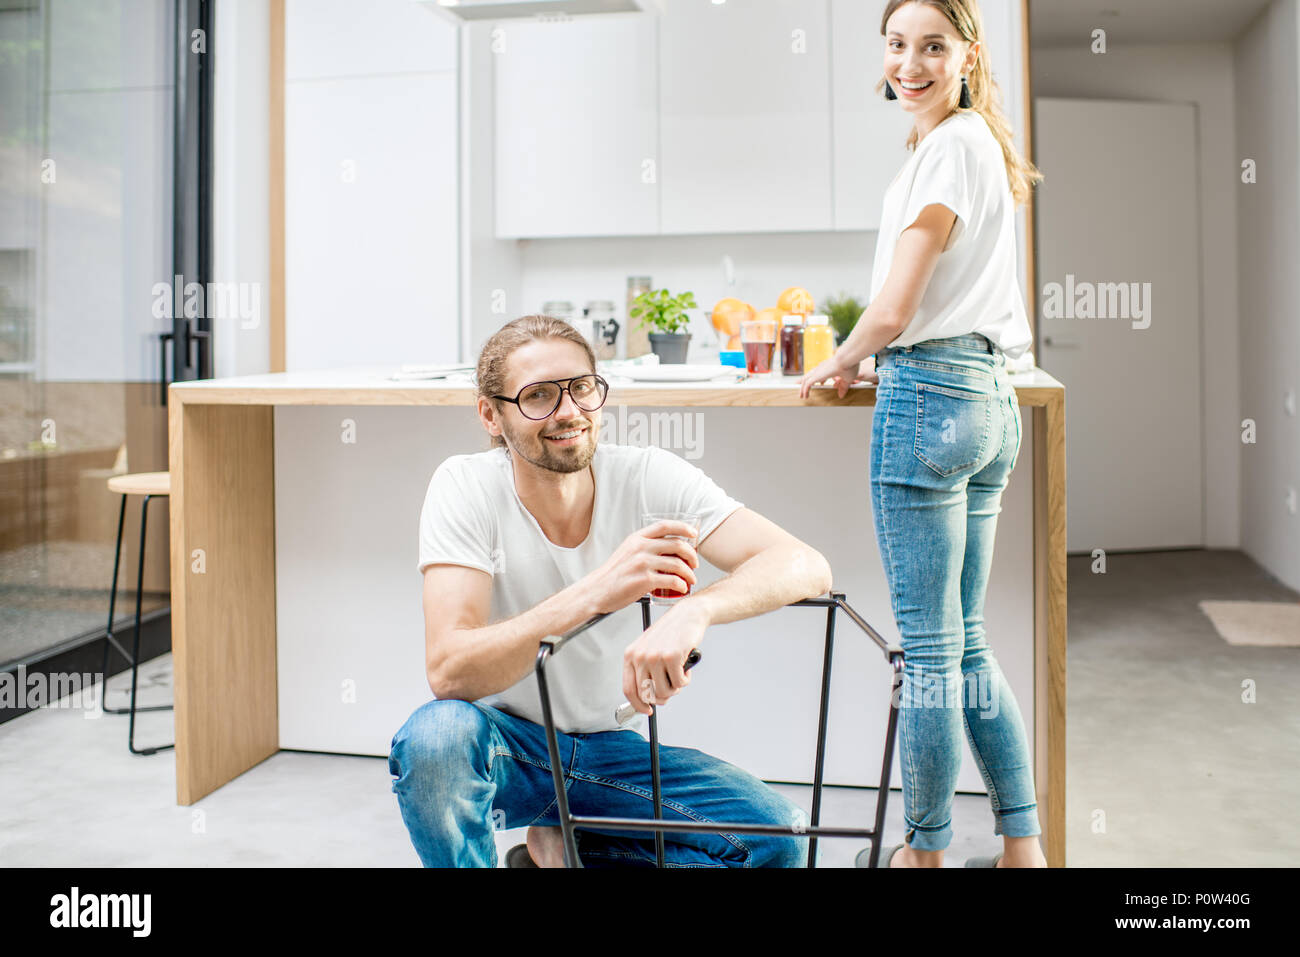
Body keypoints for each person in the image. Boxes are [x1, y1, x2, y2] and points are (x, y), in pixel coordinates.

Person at [389, 314, 833, 867]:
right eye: (538, 397)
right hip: (509, 749)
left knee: (778, 841)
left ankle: (567, 852)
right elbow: (450, 671)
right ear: (491, 415)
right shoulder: (465, 486)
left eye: (581, 388)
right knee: (434, 739)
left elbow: (805, 564)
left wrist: (696, 610)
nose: (569, 412)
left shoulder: (648, 476)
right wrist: (599, 588)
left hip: (612, 753)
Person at [799, 0, 1047, 869]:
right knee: (965, 638)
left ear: (967, 53)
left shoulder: (947, 148)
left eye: (931, 46)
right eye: (897, 45)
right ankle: (1024, 848)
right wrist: (876, 352)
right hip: (987, 397)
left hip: (930, 399)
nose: (910, 63)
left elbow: (898, 307)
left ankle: (926, 855)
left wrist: (837, 362)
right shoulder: (972, 142)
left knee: (934, 653)